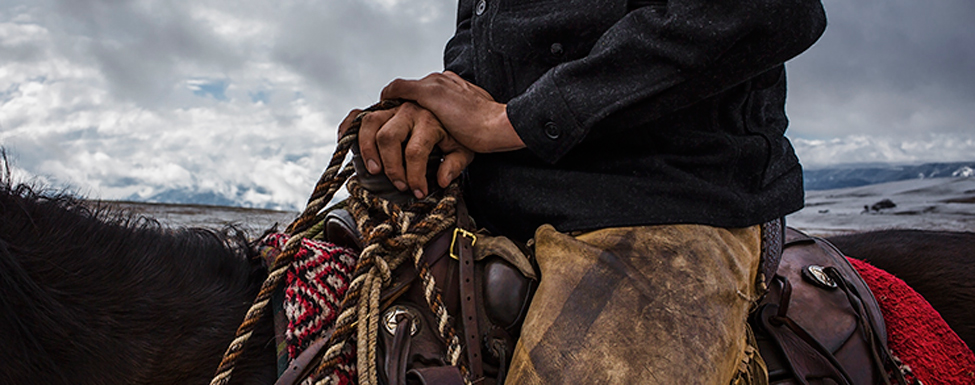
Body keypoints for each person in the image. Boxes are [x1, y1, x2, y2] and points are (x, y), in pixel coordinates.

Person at [339, 0, 827, 383]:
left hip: (666, 198)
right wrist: (451, 105)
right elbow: (482, 26)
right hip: (494, 188)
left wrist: (511, 121)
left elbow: (767, 10)